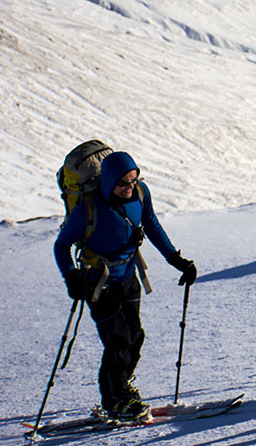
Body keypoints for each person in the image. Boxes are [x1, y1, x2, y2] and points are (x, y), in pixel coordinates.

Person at [53, 150, 198, 422]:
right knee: (118, 341)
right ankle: (115, 401)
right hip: (98, 282)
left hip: (129, 276)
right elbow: (61, 245)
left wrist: (177, 260)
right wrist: (71, 276)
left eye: (133, 181)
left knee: (135, 336)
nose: (129, 188)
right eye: (123, 184)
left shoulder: (140, 195)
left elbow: (152, 226)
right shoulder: (88, 208)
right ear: (108, 182)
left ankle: (122, 386)